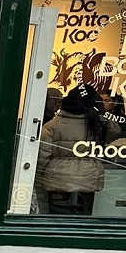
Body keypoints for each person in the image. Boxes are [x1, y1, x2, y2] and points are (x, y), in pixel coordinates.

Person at [36, 83, 115, 215]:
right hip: (88, 178)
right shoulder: (97, 123)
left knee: (56, 223)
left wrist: (39, 178)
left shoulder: (52, 125)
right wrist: (101, 113)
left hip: (58, 179)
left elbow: (43, 157)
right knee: (83, 223)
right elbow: (116, 131)